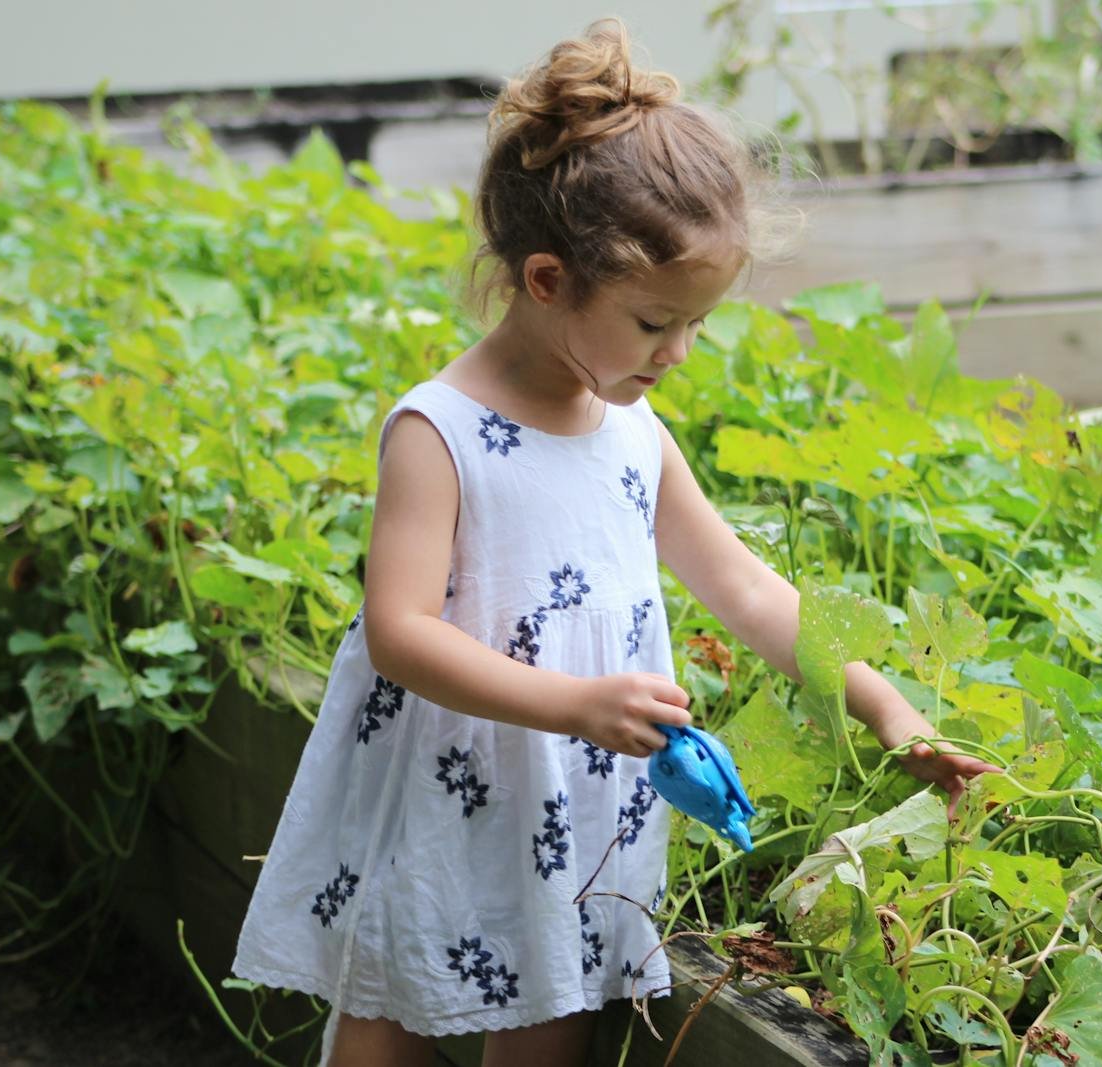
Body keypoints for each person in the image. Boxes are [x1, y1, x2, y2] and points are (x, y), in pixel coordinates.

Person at [230, 17, 998, 1067]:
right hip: (455, 786)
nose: (677, 352)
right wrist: (575, 704)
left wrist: (886, 708)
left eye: (695, 325)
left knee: (552, 1023)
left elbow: (750, 591)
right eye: (652, 323)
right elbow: (399, 630)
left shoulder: (632, 433)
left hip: (580, 807)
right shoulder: (441, 431)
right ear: (546, 280)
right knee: (389, 1016)